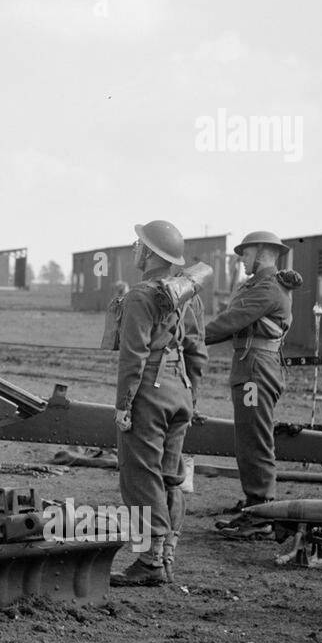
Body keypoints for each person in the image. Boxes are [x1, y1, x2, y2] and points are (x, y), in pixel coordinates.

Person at [109, 220, 207, 586]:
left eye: (138, 244)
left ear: (150, 253)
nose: (135, 249)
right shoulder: (187, 292)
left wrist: (123, 405)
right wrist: (190, 397)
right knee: (170, 475)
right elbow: (198, 352)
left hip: (149, 393)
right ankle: (166, 554)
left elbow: (133, 357)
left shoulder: (141, 295)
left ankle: (149, 561)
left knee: (140, 476)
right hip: (178, 391)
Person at [205, 231, 302, 538]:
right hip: (254, 367)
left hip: (255, 370)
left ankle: (261, 513)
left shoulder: (267, 287)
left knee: (254, 440)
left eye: (245, 254)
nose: (242, 260)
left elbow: (230, 321)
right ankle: (255, 505)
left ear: (261, 253)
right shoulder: (262, 285)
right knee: (249, 437)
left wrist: (184, 337)